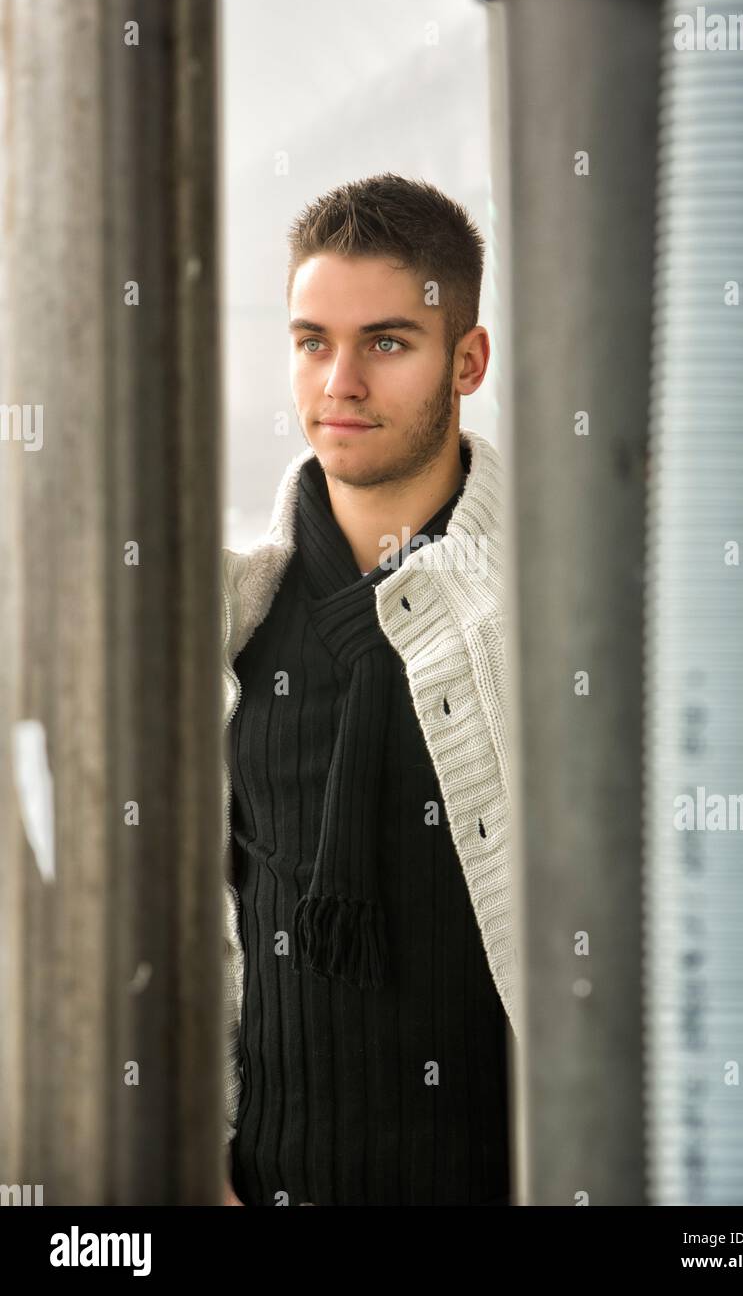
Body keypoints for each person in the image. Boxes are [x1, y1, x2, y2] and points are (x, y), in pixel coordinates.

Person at [221, 173, 517, 1206]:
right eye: (312, 341)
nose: (338, 380)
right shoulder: (224, 617)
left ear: (465, 360)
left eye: (385, 342)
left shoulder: (555, 610)